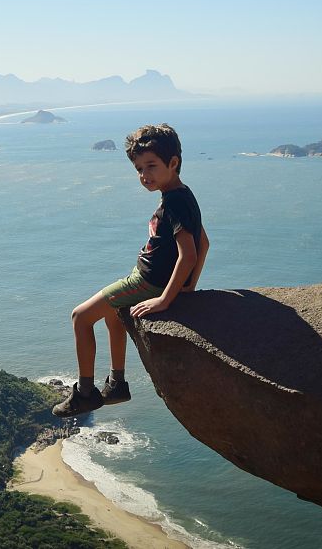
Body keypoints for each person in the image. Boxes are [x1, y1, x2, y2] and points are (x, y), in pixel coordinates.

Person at [53, 123, 210, 417]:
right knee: (113, 314)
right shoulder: (184, 194)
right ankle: (117, 384)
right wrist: (189, 286)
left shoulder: (173, 204)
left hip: (147, 282)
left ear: (173, 162)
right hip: (149, 280)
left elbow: (188, 254)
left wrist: (165, 299)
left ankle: (85, 393)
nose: (144, 175)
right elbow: (205, 243)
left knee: (80, 317)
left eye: (151, 166)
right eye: (139, 168)